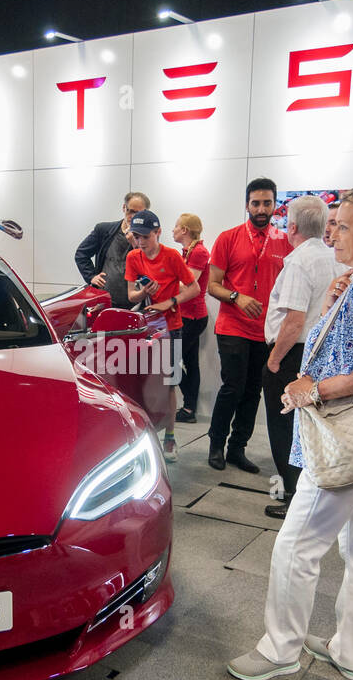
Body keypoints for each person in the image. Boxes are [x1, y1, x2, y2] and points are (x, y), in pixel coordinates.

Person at [227, 183, 353, 680]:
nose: (330, 232)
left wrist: (314, 390)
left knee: (296, 545)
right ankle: (351, 651)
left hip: (345, 440)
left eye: (342, 225)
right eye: (331, 223)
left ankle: (281, 648)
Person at [262, 195, 344, 520]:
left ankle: (294, 498)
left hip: (292, 354)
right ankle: (312, 493)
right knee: (311, 428)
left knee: (284, 428)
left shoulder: (299, 261)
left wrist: (272, 361)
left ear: (291, 227)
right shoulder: (336, 259)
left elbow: (294, 321)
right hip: (320, 354)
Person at [205, 178, 289, 473]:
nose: (262, 208)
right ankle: (216, 444)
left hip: (267, 331)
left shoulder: (285, 241)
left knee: (254, 391)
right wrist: (236, 297)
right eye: (256, 203)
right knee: (233, 388)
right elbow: (212, 286)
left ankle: (237, 449)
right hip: (232, 327)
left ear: (275, 204)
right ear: (247, 205)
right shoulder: (228, 238)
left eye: (267, 203)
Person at [124, 210, 199, 463]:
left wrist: (170, 302)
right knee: (141, 381)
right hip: (144, 327)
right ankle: (140, 436)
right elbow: (130, 296)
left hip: (171, 326)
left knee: (169, 383)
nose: (140, 241)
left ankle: (170, 437)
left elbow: (195, 288)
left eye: (145, 236)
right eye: (136, 236)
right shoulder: (133, 257)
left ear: (157, 233)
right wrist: (142, 290)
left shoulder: (172, 256)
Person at [74, 192, 149, 309]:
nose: (133, 217)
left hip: (134, 304)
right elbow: (81, 254)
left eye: (138, 214)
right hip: (105, 300)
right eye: (131, 211)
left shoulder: (149, 236)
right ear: (124, 207)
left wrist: (134, 243)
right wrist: (91, 276)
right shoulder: (104, 229)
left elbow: (149, 266)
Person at [173, 213, 209, 424]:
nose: (173, 230)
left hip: (192, 317)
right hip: (188, 316)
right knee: (190, 362)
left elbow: (188, 284)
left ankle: (189, 407)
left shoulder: (198, 252)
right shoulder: (188, 251)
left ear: (185, 230)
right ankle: (189, 409)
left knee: (168, 361)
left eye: (176, 227)